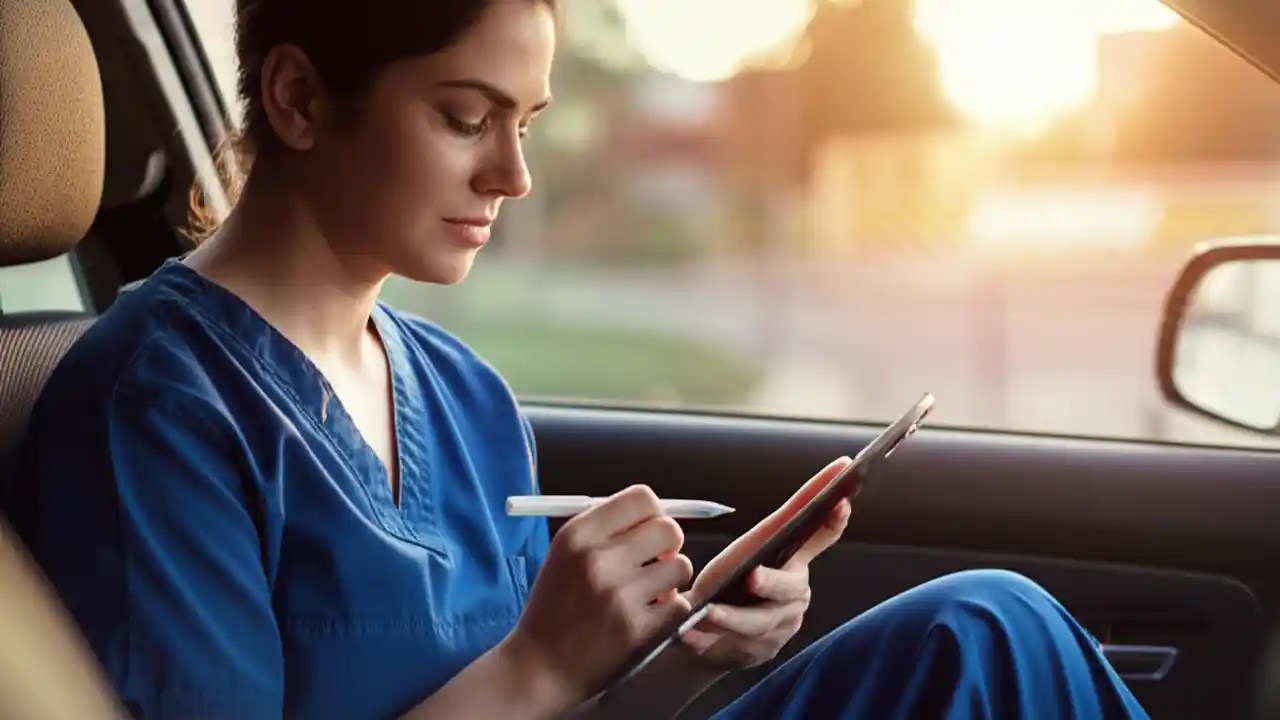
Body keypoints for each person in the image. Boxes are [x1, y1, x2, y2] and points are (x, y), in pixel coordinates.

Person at [3, 1, 1151, 718]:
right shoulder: (155, 406)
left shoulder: (462, 395)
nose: (513, 176)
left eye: (527, 123)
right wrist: (541, 665)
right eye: (466, 118)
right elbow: (528, 690)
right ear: (299, 98)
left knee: (977, 631)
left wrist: (687, 649)